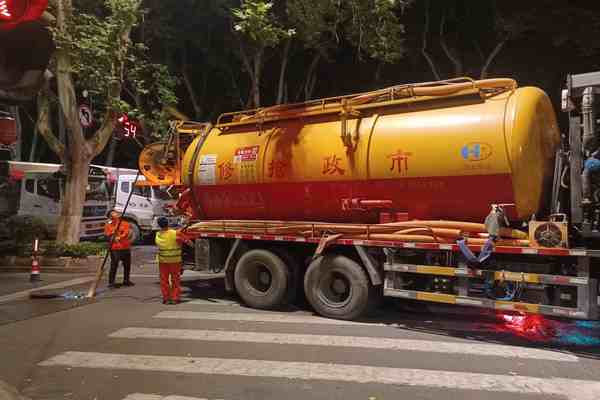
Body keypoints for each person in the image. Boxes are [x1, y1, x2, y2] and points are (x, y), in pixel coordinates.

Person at [155, 216, 192, 304]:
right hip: (175, 261)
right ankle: (175, 298)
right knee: (175, 280)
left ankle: (166, 298)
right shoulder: (175, 233)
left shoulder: (158, 234)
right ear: (168, 223)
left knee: (164, 280)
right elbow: (189, 242)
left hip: (163, 261)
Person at [104, 210, 134, 288]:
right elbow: (108, 235)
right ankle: (111, 282)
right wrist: (113, 236)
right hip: (115, 248)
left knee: (127, 265)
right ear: (110, 216)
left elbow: (127, 232)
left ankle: (126, 280)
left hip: (125, 247)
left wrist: (120, 237)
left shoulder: (125, 223)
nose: (116, 214)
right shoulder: (109, 225)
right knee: (114, 265)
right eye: (113, 213)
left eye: (116, 213)